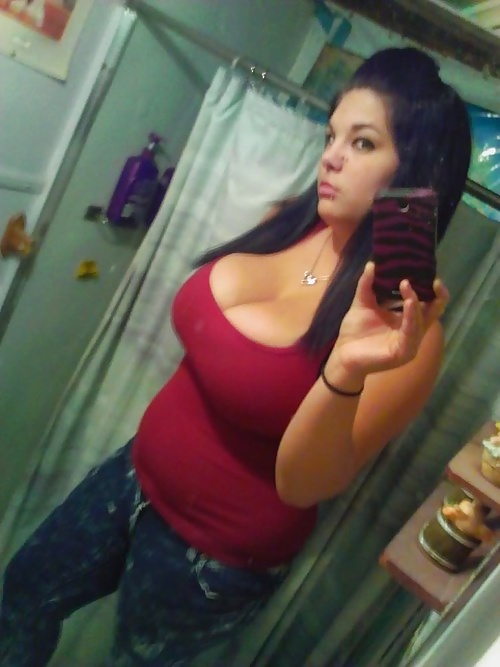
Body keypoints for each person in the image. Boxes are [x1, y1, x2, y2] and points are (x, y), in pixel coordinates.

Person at [0, 46, 471, 666]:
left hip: (211, 559)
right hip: (131, 476)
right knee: (19, 596)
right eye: (331, 135)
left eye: (362, 143)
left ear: (417, 172)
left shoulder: (406, 332)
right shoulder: (292, 221)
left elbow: (306, 485)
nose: (330, 156)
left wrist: (345, 370)